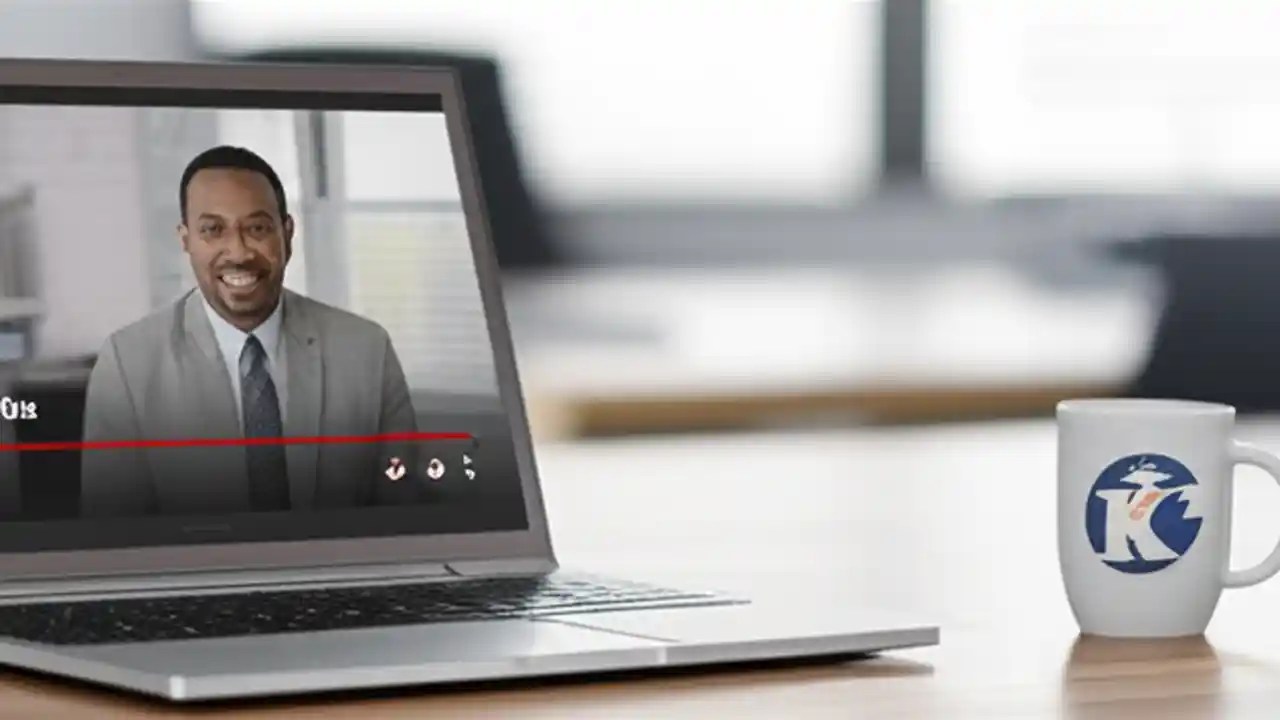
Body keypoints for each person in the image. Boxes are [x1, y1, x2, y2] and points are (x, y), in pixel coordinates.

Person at [81, 146, 422, 516]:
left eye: (257, 228)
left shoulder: (367, 351)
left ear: (287, 234)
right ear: (185, 240)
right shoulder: (127, 364)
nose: (239, 252)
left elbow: (404, 519)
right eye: (212, 230)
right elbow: (115, 537)